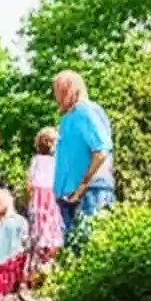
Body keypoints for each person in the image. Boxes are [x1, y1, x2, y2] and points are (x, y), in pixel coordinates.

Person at [52, 71, 115, 236]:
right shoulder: (67, 117)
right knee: (71, 246)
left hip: (90, 193)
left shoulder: (84, 111)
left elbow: (100, 151)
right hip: (68, 196)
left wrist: (83, 185)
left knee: (89, 241)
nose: (55, 96)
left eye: (57, 90)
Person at [27, 128, 63, 259]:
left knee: (46, 220)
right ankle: (44, 249)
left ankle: (46, 249)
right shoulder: (44, 160)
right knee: (44, 220)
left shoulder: (41, 160)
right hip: (44, 194)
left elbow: (30, 181)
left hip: (45, 194)